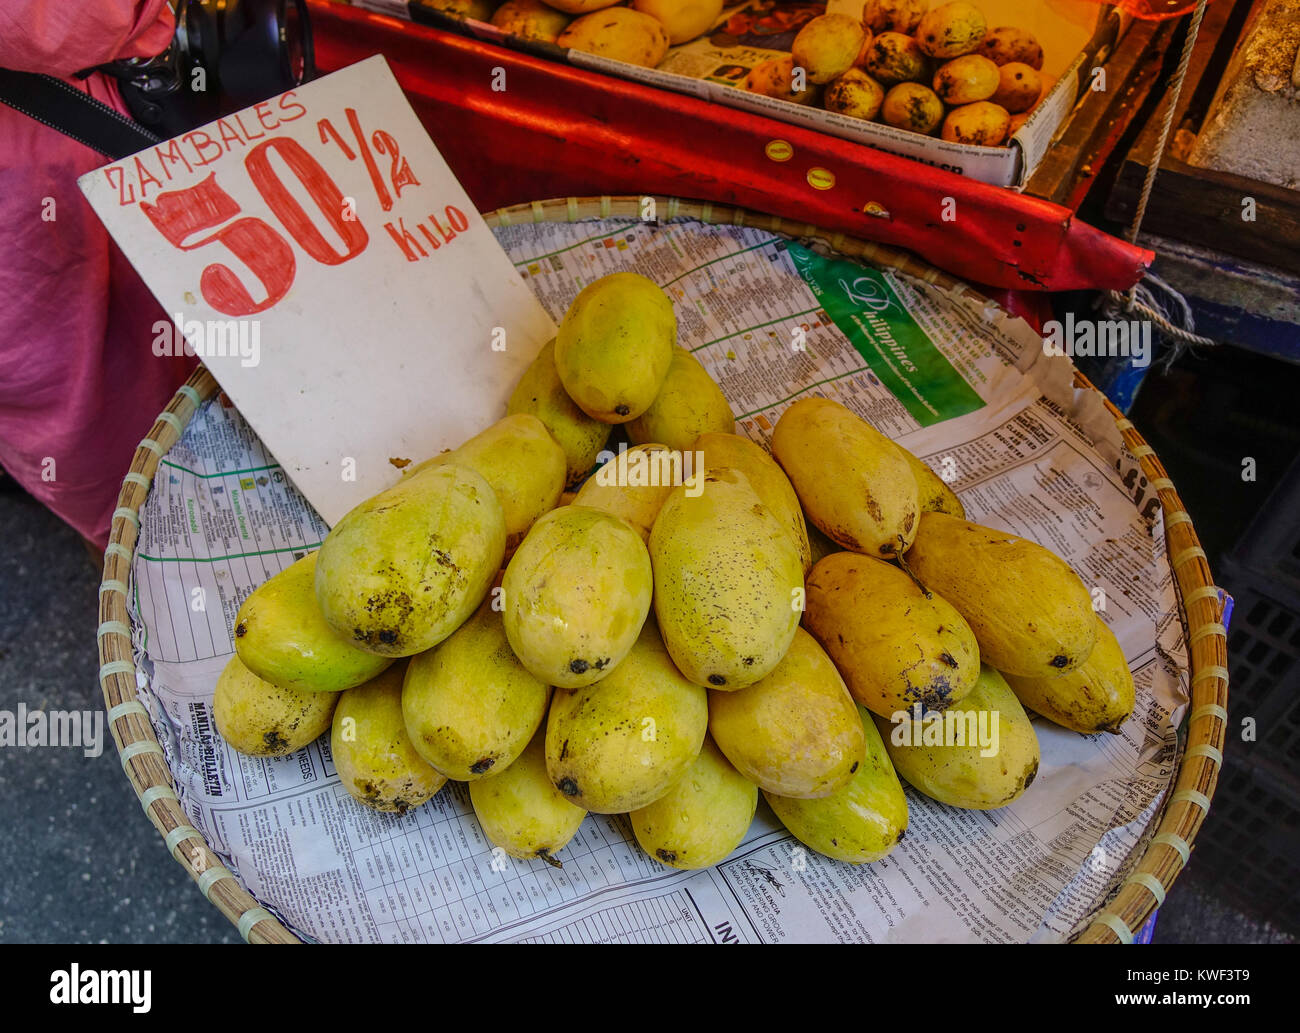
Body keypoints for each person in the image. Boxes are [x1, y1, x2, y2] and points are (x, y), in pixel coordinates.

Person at [0, 0, 197, 556]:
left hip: (63, 150)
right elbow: (55, 23)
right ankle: (147, 561)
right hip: (43, 178)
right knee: (109, 408)